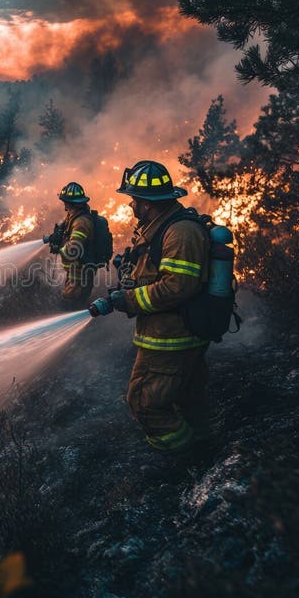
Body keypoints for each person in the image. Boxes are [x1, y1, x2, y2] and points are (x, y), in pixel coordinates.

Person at [91, 160, 213, 454]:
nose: (131, 204)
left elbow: (178, 286)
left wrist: (128, 300)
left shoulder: (180, 232)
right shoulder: (158, 228)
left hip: (171, 338)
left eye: (134, 199)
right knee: (188, 399)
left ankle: (183, 456)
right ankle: (204, 447)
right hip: (172, 333)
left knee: (145, 403)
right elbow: (155, 274)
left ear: (146, 203)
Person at [46, 182, 95, 308]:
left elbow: (74, 248)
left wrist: (60, 246)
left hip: (79, 275)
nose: (64, 207)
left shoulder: (81, 222)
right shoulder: (73, 217)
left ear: (72, 203)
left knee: (70, 303)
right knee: (70, 301)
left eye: (66, 203)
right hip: (75, 272)